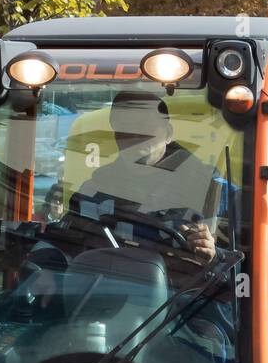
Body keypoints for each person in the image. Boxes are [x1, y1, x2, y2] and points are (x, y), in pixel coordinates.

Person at [78, 89, 218, 259]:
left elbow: (243, 262)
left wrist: (212, 254)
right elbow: (66, 242)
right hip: (105, 281)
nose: (135, 137)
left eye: (145, 128)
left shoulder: (209, 187)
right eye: (124, 129)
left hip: (188, 283)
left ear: (168, 134)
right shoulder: (94, 190)